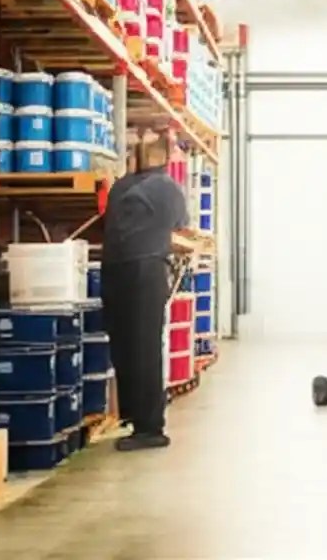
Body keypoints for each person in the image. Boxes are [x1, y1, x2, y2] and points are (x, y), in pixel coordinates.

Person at [101, 133, 189, 451]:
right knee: (133, 345)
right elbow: (179, 225)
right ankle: (140, 420)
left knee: (135, 346)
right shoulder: (149, 186)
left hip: (131, 267)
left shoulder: (143, 186)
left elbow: (177, 223)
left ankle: (148, 426)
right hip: (131, 267)